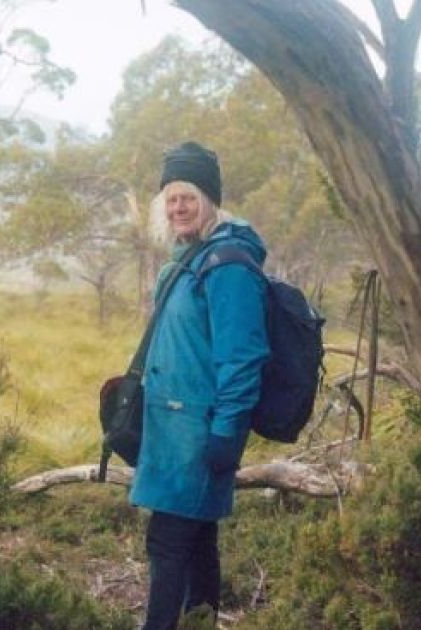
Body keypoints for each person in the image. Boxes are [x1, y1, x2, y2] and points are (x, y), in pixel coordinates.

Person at [129, 141, 270, 629]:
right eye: (170, 197)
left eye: (188, 195)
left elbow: (243, 358)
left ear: (210, 200)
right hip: (171, 431)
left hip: (201, 434)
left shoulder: (228, 265)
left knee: (168, 544)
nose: (178, 206)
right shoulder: (185, 261)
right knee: (196, 542)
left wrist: (227, 434)